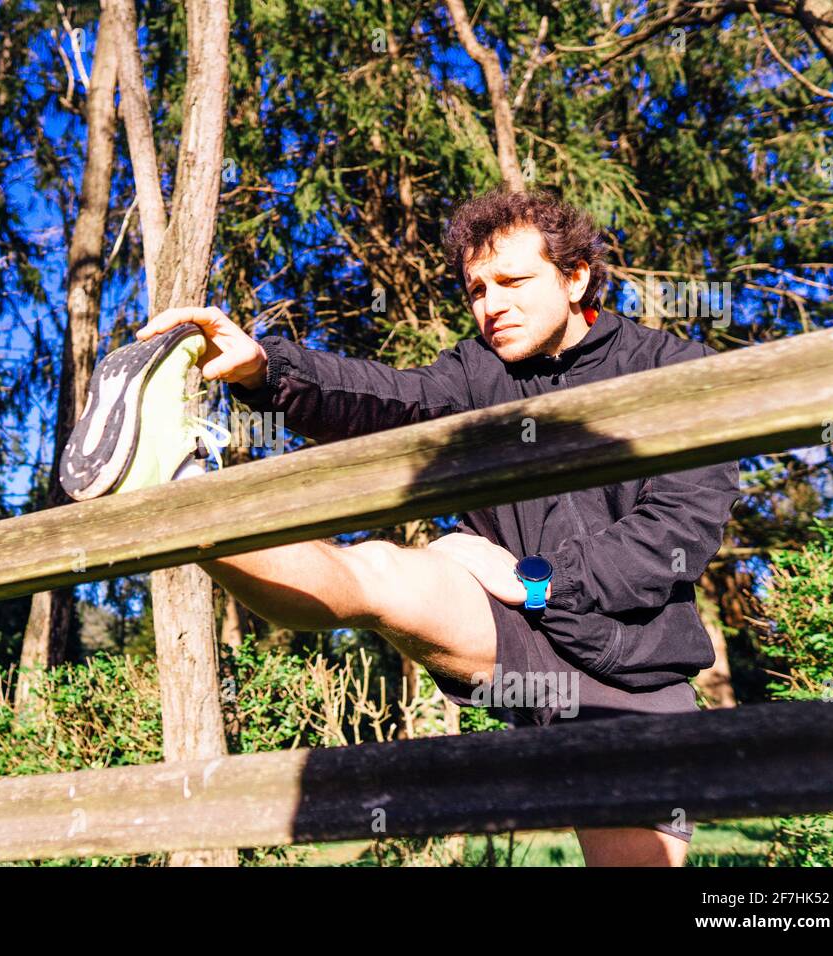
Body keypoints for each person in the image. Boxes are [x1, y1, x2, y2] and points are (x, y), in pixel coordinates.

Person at [60, 189, 740, 866]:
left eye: (512, 281)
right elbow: (384, 398)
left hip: (633, 663)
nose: (490, 304)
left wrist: (537, 582)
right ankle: (181, 496)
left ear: (576, 277)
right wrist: (264, 369)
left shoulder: (670, 366)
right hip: (514, 634)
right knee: (381, 572)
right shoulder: (478, 369)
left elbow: (678, 530)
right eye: (476, 288)